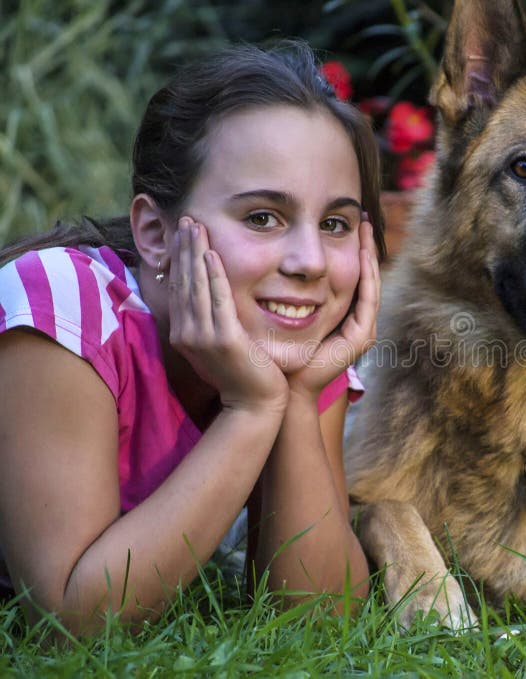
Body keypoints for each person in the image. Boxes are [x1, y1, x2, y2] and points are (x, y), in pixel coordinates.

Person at [0, 42, 385, 635]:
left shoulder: (298, 344)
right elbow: (71, 626)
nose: (310, 261)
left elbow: (322, 620)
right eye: (262, 217)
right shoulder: (63, 307)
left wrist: (297, 400)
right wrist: (252, 409)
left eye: (335, 224)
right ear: (156, 234)